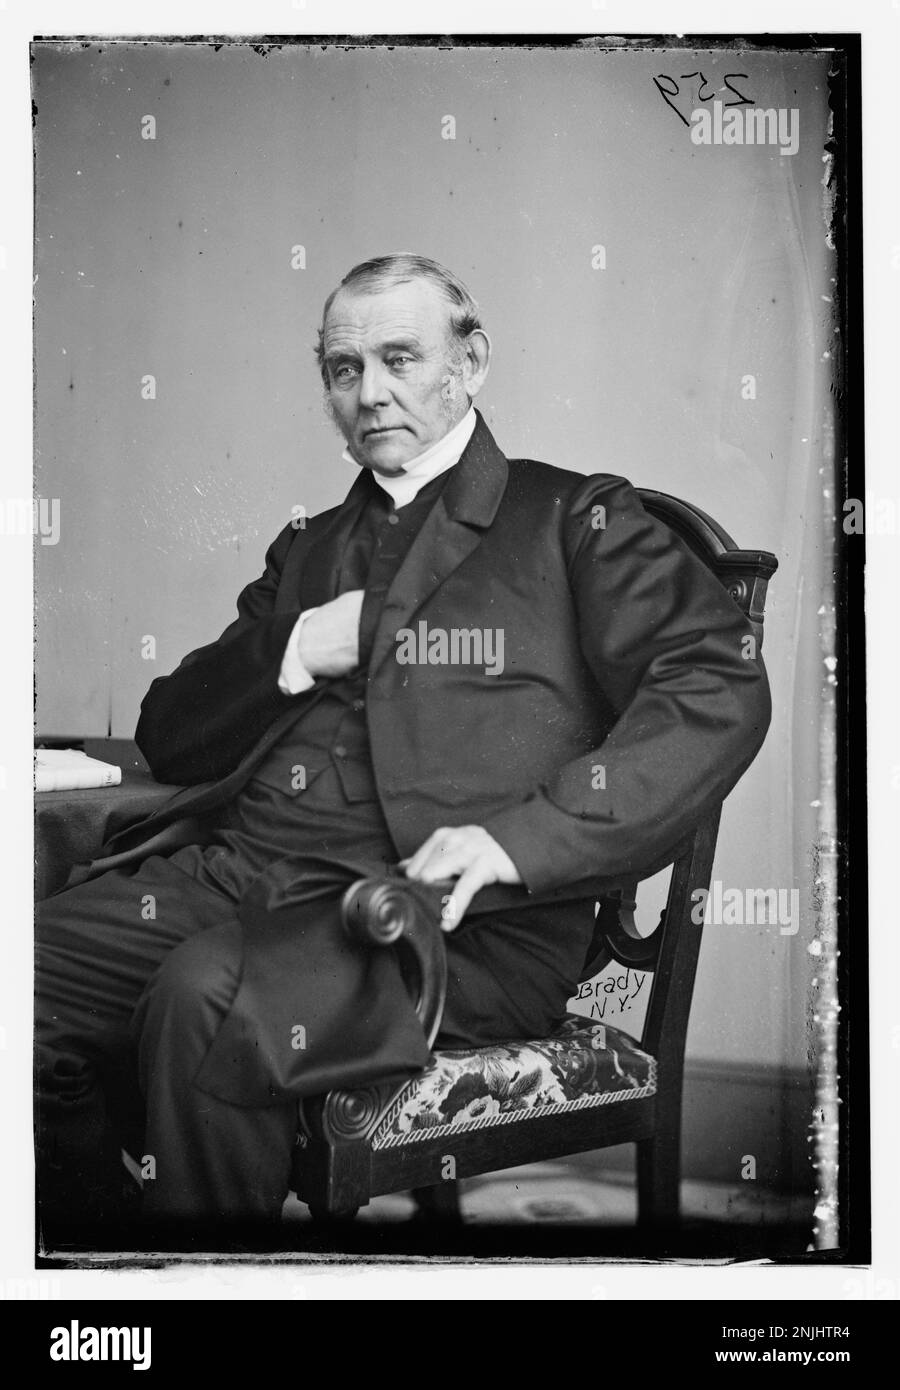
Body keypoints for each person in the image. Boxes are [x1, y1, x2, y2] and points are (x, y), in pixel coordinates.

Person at [35, 254, 771, 1244]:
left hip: (444, 921)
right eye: (344, 369)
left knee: (207, 997)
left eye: (398, 357)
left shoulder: (572, 519)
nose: (369, 391)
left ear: (471, 362)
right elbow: (174, 726)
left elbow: (718, 680)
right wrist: (295, 645)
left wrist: (518, 843)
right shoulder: (310, 546)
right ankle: (119, 1253)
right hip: (242, 877)